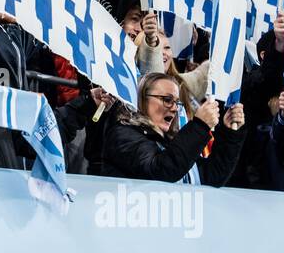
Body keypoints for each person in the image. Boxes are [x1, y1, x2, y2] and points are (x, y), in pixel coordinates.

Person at [99, 71, 246, 184]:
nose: (175, 108)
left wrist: (229, 133)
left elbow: (213, 175)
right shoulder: (122, 134)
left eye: (176, 102)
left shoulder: (169, 142)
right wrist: (200, 125)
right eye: (167, 100)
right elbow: (161, 171)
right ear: (141, 98)